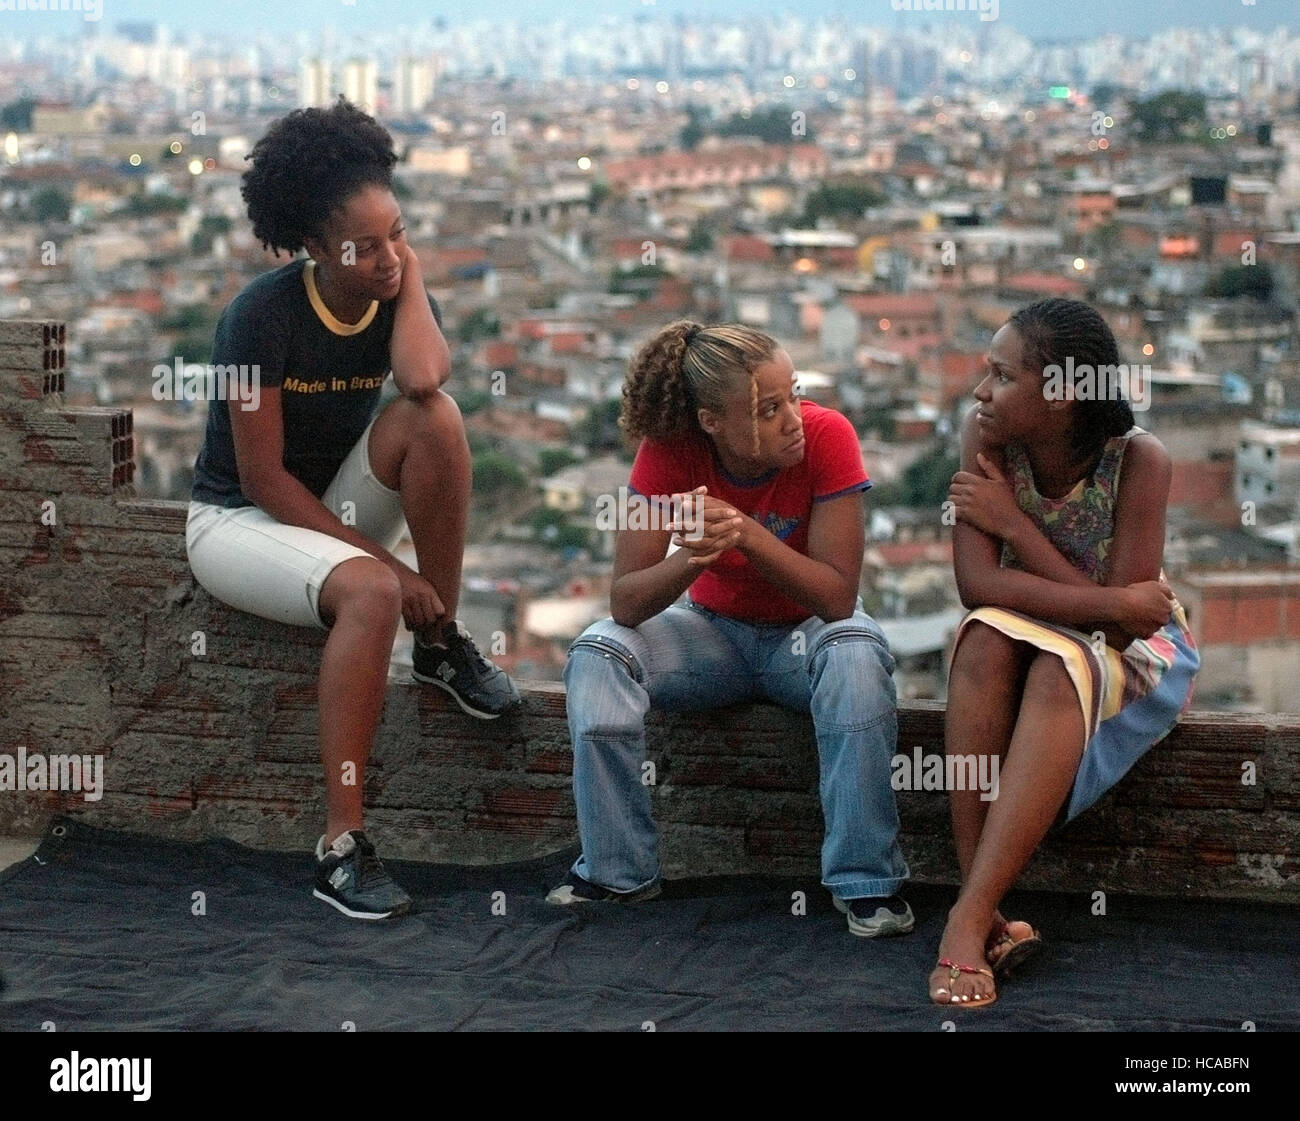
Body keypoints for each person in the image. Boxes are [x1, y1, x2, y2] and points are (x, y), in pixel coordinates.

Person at [186, 99, 520, 922]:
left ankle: (439, 644)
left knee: (434, 422)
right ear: (312, 246)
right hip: (238, 522)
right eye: (361, 247)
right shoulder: (259, 317)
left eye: (395, 234)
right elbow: (263, 480)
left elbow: (423, 385)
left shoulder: (395, 288)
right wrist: (387, 567)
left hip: (324, 511)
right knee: (371, 594)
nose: (383, 257)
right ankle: (341, 847)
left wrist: (406, 273)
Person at [546, 321, 912, 937]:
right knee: (598, 653)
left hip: (808, 638)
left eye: (791, 395)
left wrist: (744, 531)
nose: (792, 417)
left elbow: (836, 598)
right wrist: (693, 555)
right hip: (709, 638)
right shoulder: (669, 451)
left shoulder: (828, 436)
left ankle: (866, 883)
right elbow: (626, 603)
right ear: (712, 422)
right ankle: (617, 873)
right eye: (768, 410)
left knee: (856, 656)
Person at [935, 298, 1199, 1006]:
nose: (980, 391)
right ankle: (981, 905)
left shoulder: (1139, 460)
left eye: (1001, 375)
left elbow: (1122, 629)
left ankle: (966, 917)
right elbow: (976, 586)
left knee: (1062, 666)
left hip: (1129, 652)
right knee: (982, 639)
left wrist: (1017, 525)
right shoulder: (984, 439)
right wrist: (1109, 600)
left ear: (1061, 395)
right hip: (1031, 625)